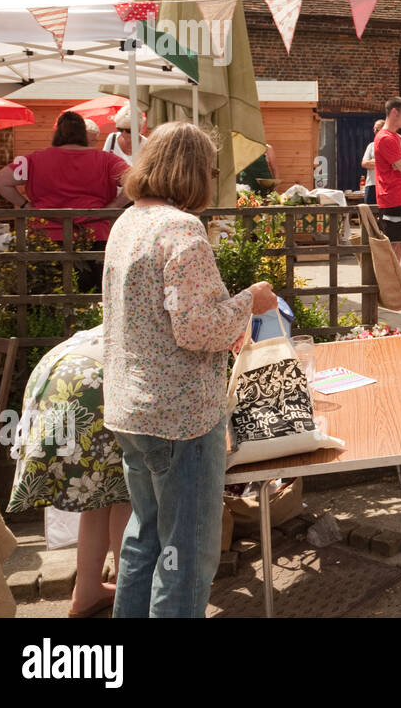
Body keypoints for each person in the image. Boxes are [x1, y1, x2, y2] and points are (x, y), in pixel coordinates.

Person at [102, 121, 277, 617]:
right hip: (179, 416)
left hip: (129, 407)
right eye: (213, 168)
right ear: (195, 171)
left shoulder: (127, 222)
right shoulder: (181, 228)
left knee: (145, 539)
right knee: (187, 556)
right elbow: (197, 330)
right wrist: (251, 300)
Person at [7, 327, 131, 618]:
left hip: (53, 380)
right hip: (92, 384)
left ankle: (87, 592)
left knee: (97, 493)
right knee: (127, 491)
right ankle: (131, 592)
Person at [0, 111, 129, 247]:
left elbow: (0, 180)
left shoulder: (34, 159)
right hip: (94, 234)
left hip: (45, 235)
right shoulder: (107, 160)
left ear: (57, 133)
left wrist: (25, 206)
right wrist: (115, 205)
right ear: (83, 134)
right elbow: (137, 181)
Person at [374, 98, 401, 256]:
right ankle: (388, 281)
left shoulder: (398, 138)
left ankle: (394, 280)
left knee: (400, 245)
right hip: (390, 199)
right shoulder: (386, 138)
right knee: (391, 249)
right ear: (393, 112)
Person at [362, 119, 385, 205]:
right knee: (369, 212)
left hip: (385, 185)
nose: (375, 131)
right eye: (374, 129)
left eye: (377, 129)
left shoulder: (390, 146)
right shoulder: (371, 146)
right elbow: (364, 163)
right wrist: (382, 162)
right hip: (371, 184)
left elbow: (393, 164)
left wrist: (373, 161)